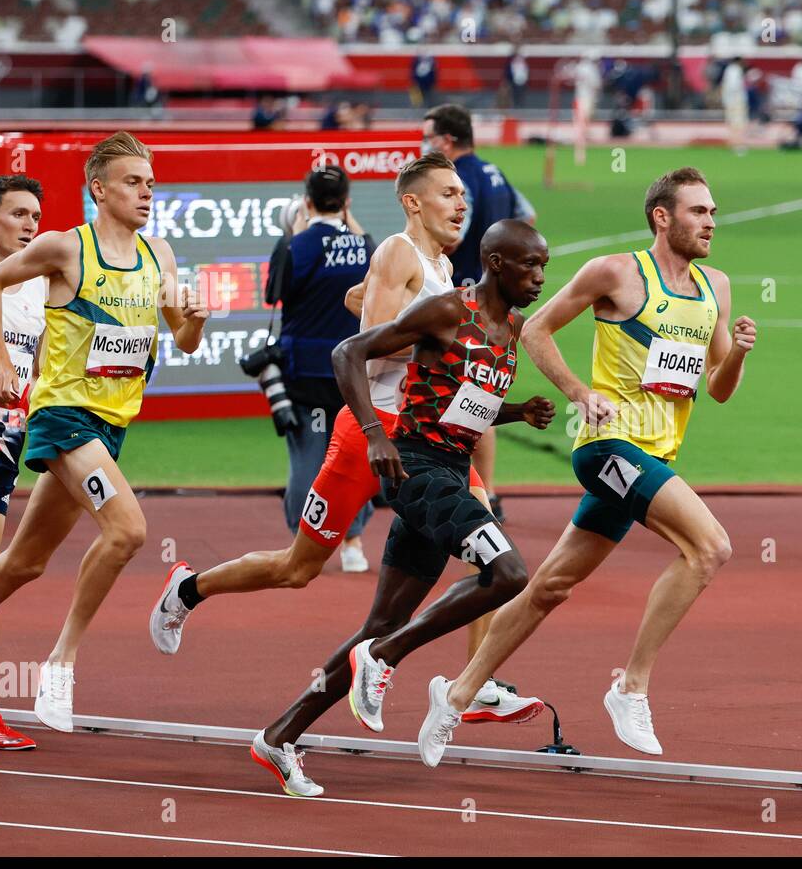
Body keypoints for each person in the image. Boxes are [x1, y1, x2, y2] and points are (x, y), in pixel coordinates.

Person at [397, 168, 757, 765]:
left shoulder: (715, 286)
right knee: (710, 547)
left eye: (713, 211)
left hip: (656, 456)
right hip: (609, 448)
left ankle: (454, 695)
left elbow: (717, 390)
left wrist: (738, 353)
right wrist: (578, 393)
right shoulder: (615, 272)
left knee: (549, 588)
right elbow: (536, 328)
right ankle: (631, 687)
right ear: (662, 217)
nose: (711, 221)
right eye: (699, 211)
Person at [250, 220, 554, 796]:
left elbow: (462, 402)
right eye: (529, 265)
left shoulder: (509, 328)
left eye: (543, 265)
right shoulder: (445, 312)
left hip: (446, 468)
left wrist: (516, 412)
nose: (539, 278)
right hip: (414, 467)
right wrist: (374, 434)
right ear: (493, 262)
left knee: (381, 621)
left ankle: (279, 735)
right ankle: (386, 659)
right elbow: (349, 352)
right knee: (508, 573)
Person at [0, 131, 207, 731]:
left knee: (21, 563)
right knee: (127, 530)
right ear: (98, 189)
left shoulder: (162, 257)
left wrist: (195, 323)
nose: (146, 192)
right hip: (63, 419)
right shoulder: (64, 249)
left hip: (110, 426)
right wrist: (0, 356)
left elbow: (180, 337)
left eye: (151, 182)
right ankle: (61, 662)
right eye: (133, 182)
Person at [421, 103, 537, 522]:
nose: (424, 143)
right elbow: (527, 218)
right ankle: (488, 492)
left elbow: (453, 238)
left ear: (447, 140)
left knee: (465, 400)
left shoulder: (458, 180)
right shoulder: (494, 172)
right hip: (494, 301)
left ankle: (473, 494)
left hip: (464, 299)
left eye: (429, 135)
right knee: (480, 398)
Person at [0, 175, 48, 750]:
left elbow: (44, 373)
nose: (30, 224)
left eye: (36, 216)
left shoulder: (43, 291)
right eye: (18, 213)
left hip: (5, 440)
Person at [269, 165, 376, 572]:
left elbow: (275, 294)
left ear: (307, 202)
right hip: (351, 372)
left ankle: (303, 544)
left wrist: (297, 232)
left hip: (303, 372)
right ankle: (353, 544)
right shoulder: (367, 246)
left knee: (307, 459)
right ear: (347, 203)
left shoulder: (295, 247)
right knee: (351, 457)